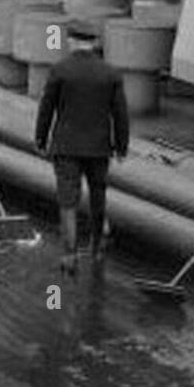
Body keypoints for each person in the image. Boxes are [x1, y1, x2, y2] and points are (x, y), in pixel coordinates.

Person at [35, 20, 130, 273]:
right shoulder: (111, 73)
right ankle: (97, 248)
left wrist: (40, 139)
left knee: (68, 201)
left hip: (66, 146)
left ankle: (69, 254)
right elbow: (121, 114)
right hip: (99, 148)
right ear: (95, 43)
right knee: (98, 198)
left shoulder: (60, 70)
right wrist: (122, 147)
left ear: (72, 41)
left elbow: (46, 109)